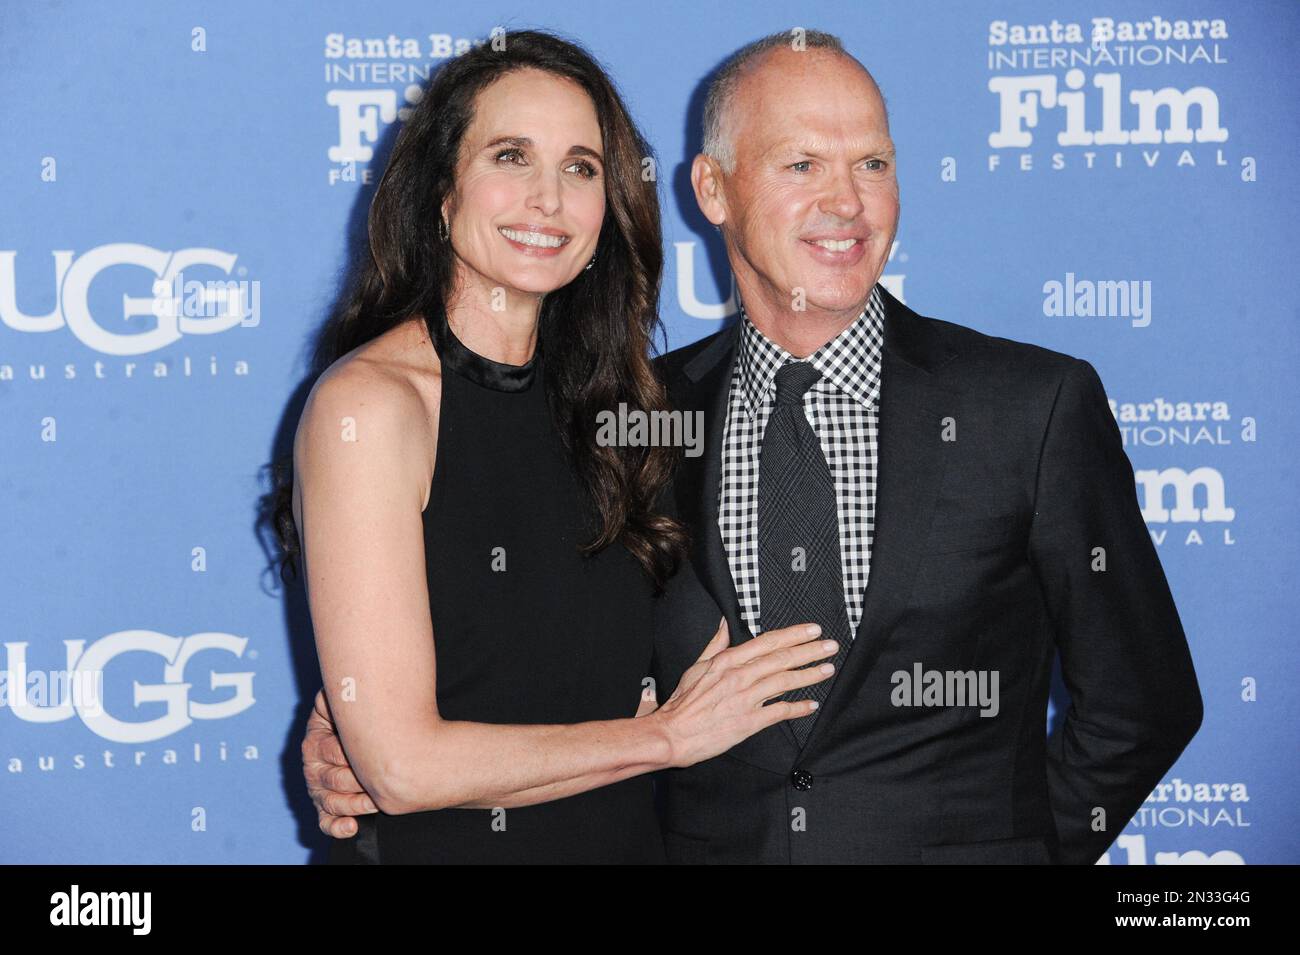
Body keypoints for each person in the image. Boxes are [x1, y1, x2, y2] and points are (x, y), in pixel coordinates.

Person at [306, 29, 1203, 865]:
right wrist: (366, 730)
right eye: (801, 163)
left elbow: (1142, 704)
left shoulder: (1028, 406)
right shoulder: (642, 415)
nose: (845, 201)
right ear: (712, 190)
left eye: (872, 163)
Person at [277, 30, 834, 864]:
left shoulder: (621, 409)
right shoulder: (373, 406)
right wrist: (665, 737)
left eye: (580, 168)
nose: (547, 199)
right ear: (440, 191)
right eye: (511, 156)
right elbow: (401, 767)